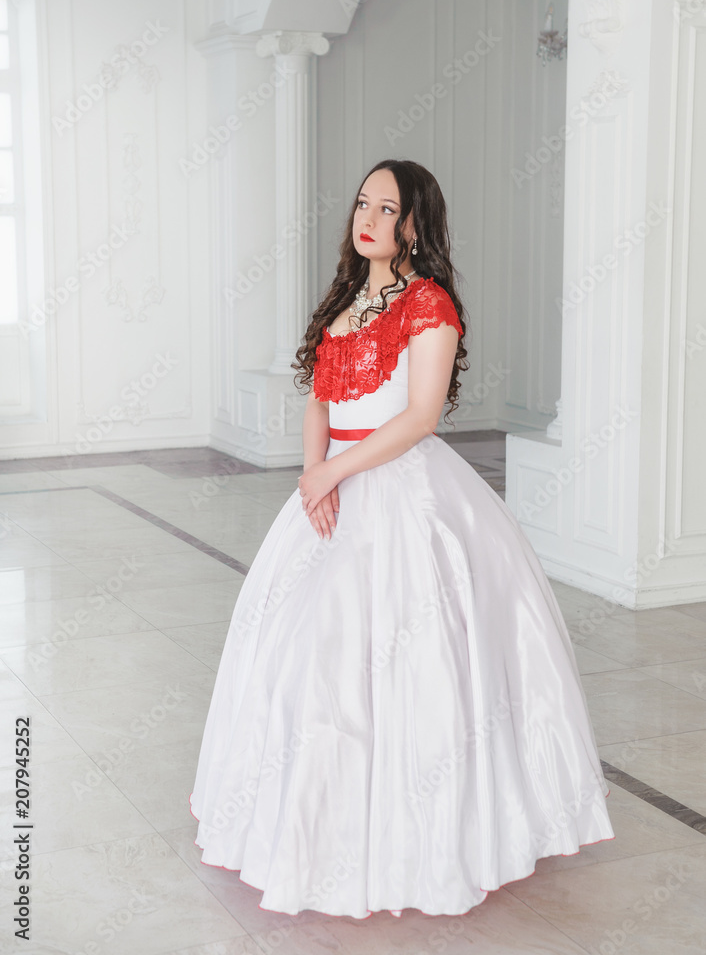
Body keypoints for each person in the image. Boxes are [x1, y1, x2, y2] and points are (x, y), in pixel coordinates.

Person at [189, 158, 614, 920]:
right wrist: (313, 473)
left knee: (413, 657)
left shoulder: (429, 304)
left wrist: (336, 475)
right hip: (330, 485)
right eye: (362, 203)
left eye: (387, 208)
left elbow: (419, 417)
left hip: (401, 486)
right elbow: (319, 396)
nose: (368, 218)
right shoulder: (346, 298)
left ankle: (421, 834)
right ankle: (306, 827)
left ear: (415, 223)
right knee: (299, 651)